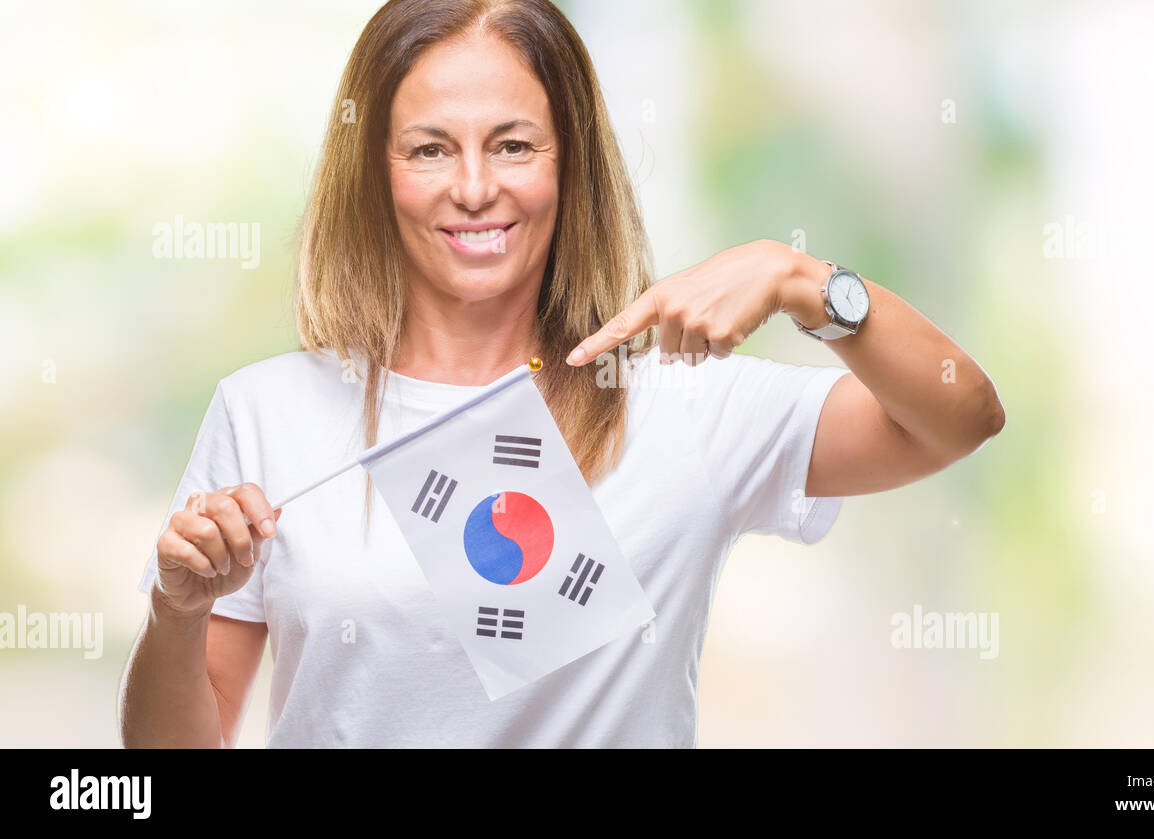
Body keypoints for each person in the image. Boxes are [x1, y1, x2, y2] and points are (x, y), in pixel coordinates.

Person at [119, 0, 1004, 748]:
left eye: (513, 146)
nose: (473, 187)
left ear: (570, 162)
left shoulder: (679, 397)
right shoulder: (268, 411)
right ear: (374, 171)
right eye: (429, 149)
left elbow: (961, 414)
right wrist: (177, 606)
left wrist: (803, 280)